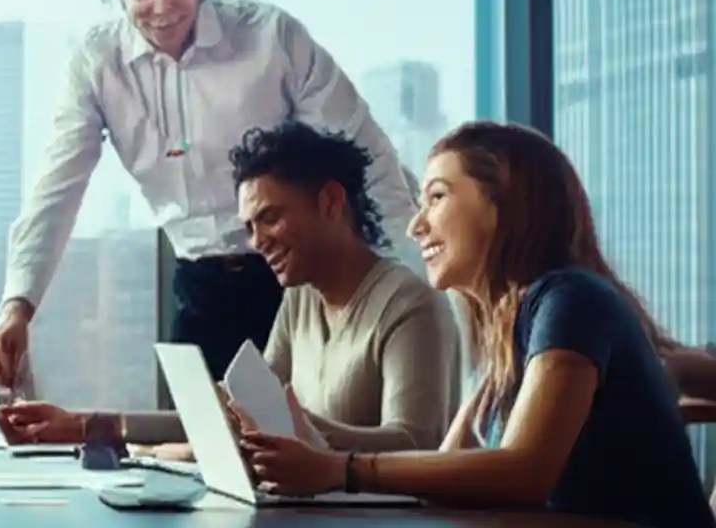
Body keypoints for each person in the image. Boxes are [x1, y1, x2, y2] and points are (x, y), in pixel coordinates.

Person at [0, 0, 418, 390]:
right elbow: (56, 190)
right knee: (202, 448)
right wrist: (17, 304)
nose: (163, 8)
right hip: (199, 289)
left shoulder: (271, 37)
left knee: (305, 445)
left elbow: (365, 154)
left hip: (297, 279)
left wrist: (416, 284)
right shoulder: (97, 64)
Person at [236, 122, 712, 528]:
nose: (416, 225)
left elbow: (523, 472)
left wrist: (339, 469)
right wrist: (322, 455)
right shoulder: (514, 327)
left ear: (505, 204)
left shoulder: (571, 300)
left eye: (437, 196)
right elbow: (445, 468)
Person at [0, 122, 458, 453]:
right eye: (250, 227)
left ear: (331, 201)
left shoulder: (410, 305)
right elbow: (234, 415)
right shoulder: (300, 300)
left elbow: (415, 443)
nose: (258, 242)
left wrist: (304, 432)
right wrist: (85, 425)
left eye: (271, 217)